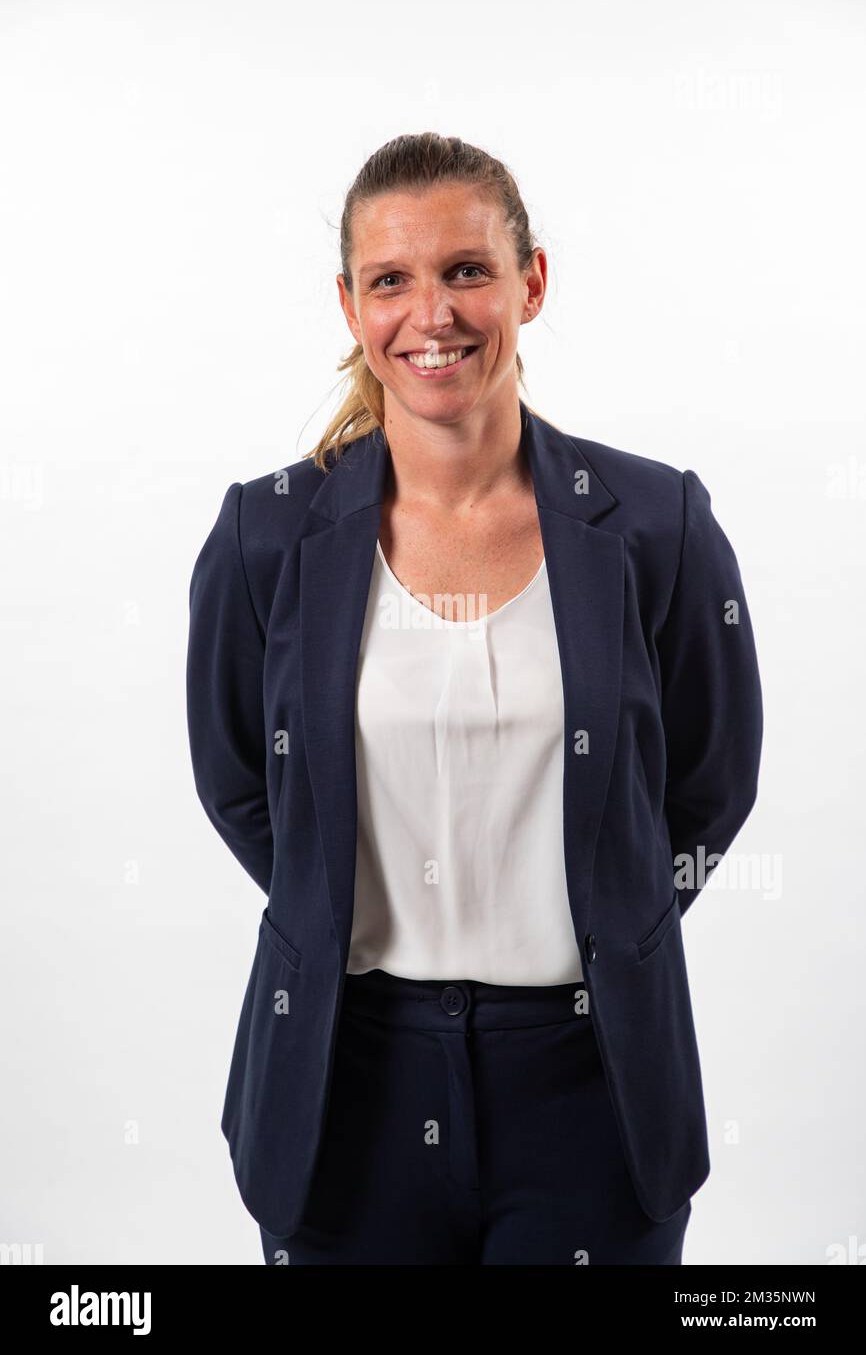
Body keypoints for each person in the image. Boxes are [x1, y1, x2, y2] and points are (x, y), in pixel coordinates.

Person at [186, 132, 763, 1265]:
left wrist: (607, 921)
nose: (431, 314)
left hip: (594, 1083)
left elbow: (708, 784)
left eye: (466, 270)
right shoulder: (266, 534)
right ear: (350, 306)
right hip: (341, 1084)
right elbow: (244, 785)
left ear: (530, 282)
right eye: (390, 280)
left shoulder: (657, 525)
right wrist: (334, 902)